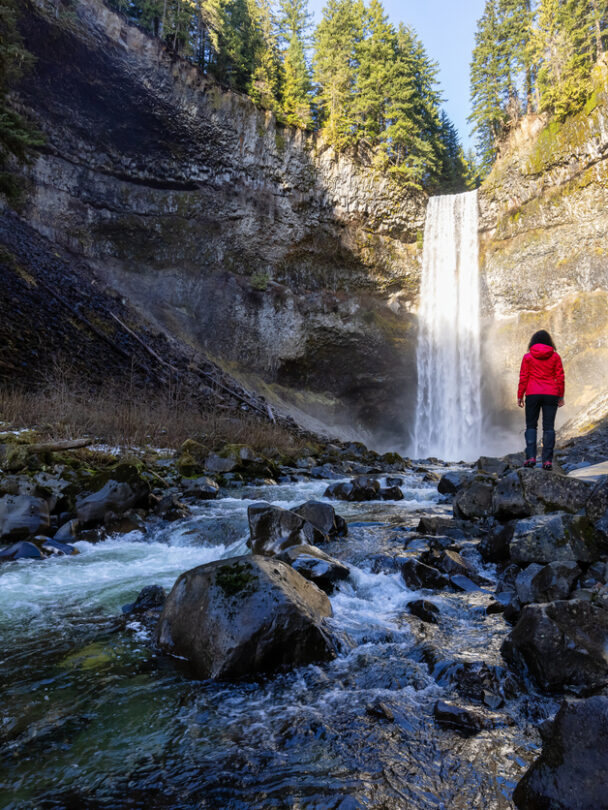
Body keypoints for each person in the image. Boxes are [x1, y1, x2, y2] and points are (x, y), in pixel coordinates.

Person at [517, 329, 565, 470]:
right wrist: (561, 396)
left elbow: (524, 377)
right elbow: (560, 377)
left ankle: (531, 457)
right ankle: (547, 461)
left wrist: (520, 395)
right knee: (549, 427)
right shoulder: (555, 357)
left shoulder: (527, 357)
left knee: (531, 426)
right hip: (551, 393)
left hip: (532, 394)